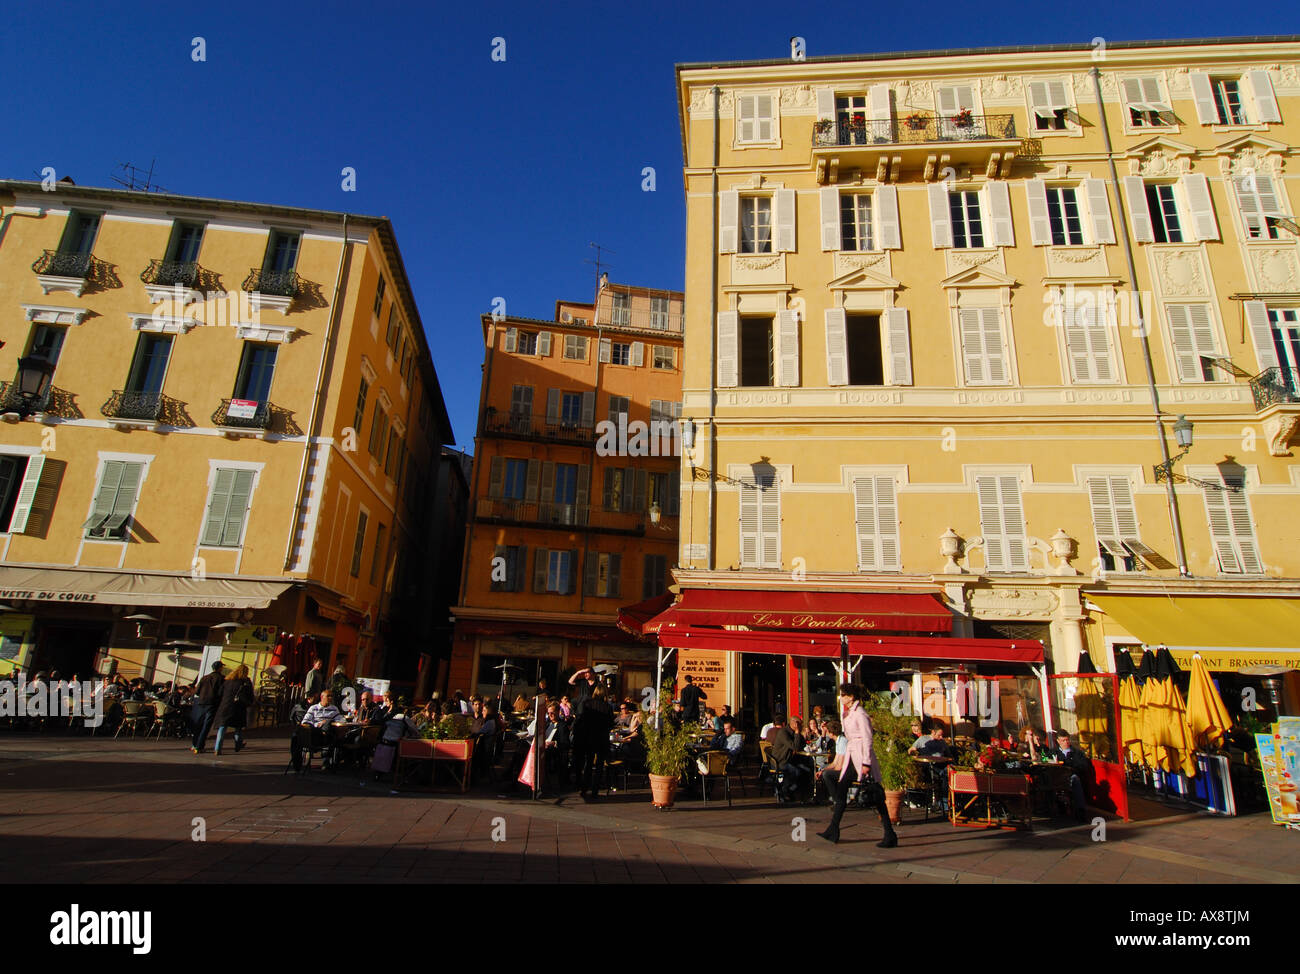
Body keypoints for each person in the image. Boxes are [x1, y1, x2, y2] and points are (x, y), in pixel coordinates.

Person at [818, 684, 897, 848]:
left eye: (845, 695)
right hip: (852, 755)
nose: (842, 698)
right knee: (845, 790)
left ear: (852, 696)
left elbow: (868, 738)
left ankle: (889, 833)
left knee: (875, 795)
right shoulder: (849, 713)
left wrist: (866, 762)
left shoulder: (860, 714)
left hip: (860, 757)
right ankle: (833, 829)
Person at [574, 685, 614, 800]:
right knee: (600, 765)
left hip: (590, 737)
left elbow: (582, 719)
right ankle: (595, 789)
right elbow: (610, 724)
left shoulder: (587, 704)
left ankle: (584, 787)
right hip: (602, 738)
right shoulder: (607, 707)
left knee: (589, 763)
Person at [765, 714, 810, 803]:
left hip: (790, 760)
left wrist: (802, 734)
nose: (801, 726)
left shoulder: (794, 732)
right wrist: (797, 732)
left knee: (807, 770)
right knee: (796, 771)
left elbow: (802, 745)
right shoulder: (783, 732)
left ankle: (797, 792)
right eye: (800, 724)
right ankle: (784, 791)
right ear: (794, 724)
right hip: (780, 761)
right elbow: (795, 747)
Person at [1050, 731, 1093, 821]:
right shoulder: (1053, 752)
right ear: (1058, 741)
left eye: (1067, 740)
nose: (1066, 742)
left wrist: (1069, 764)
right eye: (1063, 740)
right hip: (1056, 776)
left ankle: (1080, 810)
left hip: (1070, 775)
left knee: (1075, 780)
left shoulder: (1077, 753)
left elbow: (1083, 766)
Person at [213, 664, 255, 755]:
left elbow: (220, 693)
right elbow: (250, 696)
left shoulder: (228, 680)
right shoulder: (245, 681)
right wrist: (249, 703)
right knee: (238, 727)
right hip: (238, 707)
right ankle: (238, 744)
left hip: (225, 706)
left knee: (222, 727)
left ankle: (217, 748)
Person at [190, 661, 225, 754]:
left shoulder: (204, 678)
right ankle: (200, 746)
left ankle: (194, 744)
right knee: (206, 725)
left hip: (201, 703)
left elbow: (197, 692)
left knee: (199, 724)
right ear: (220, 668)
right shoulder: (221, 678)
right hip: (212, 704)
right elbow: (221, 692)